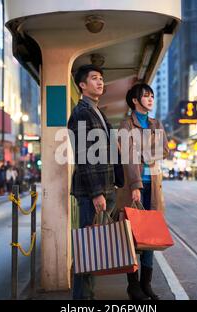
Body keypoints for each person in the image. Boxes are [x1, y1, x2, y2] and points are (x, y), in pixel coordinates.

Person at [67, 64, 118, 300]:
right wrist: (97, 192)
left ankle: (87, 297)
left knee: (94, 247)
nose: (100, 82)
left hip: (104, 188)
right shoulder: (81, 113)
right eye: (94, 78)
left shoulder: (97, 110)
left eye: (102, 79)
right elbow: (84, 156)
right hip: (92, 192)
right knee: (88, 248)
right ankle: (81, 300)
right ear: (82, 85)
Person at [117, 83, 169, 300]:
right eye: (146, 96)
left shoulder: (157, 123)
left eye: (152, 96)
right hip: (133, 187)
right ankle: (133, 284)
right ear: (135, 101)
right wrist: (136, 185)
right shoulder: (125, 125)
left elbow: (165, 150)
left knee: (151, 236)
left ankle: (146, 283)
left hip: (154, 187)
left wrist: (142, 149)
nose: (150, 99)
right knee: (131, 236)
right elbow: (128, 156)